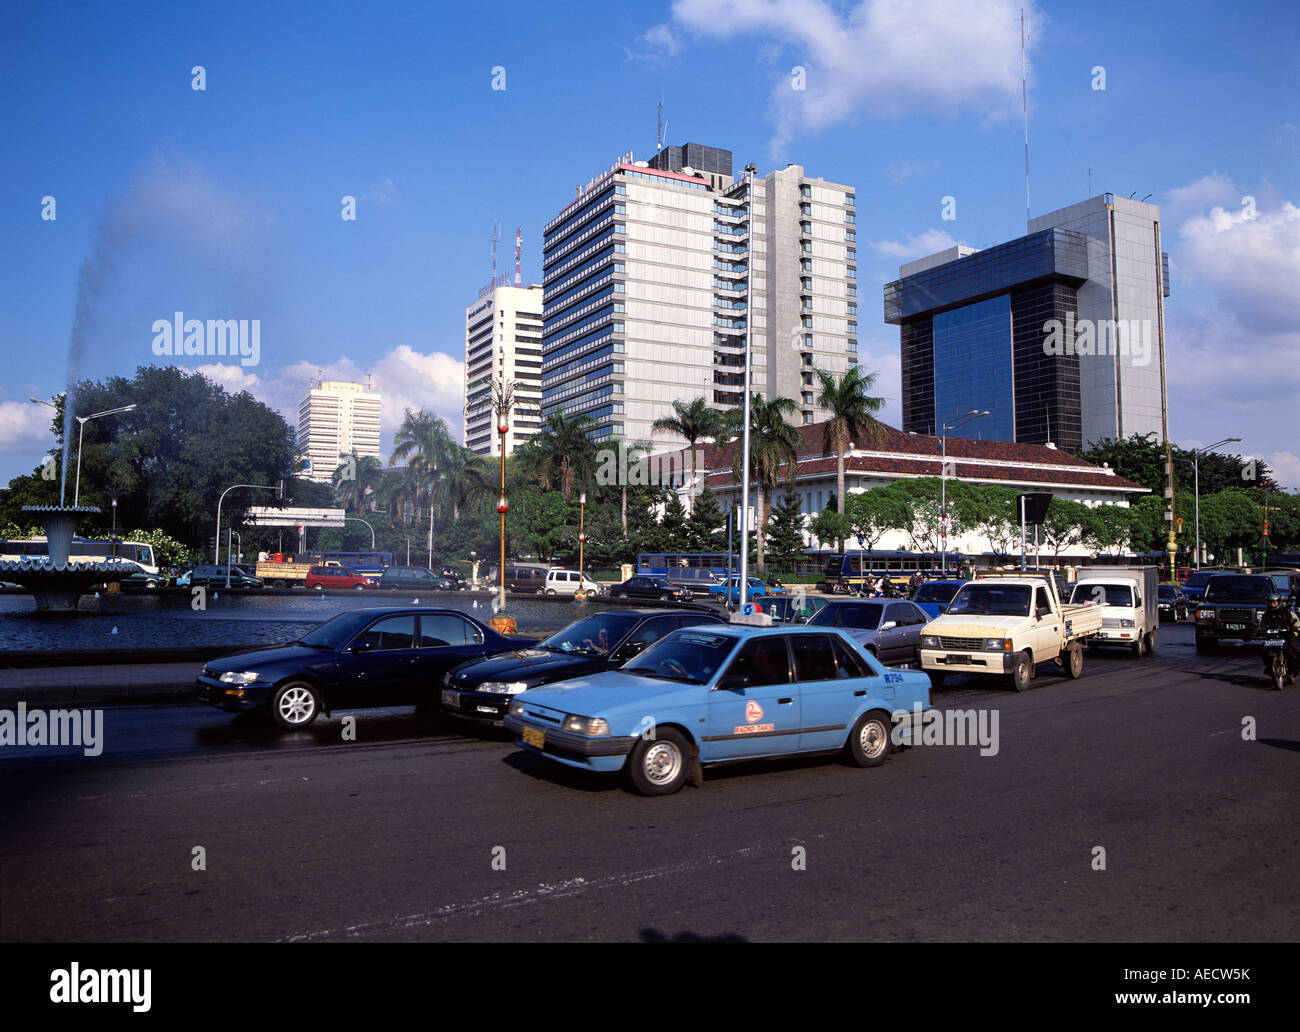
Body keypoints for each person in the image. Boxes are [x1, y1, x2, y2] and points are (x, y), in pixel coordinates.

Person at [1260, 594, 1300, 685]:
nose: (1272, 605)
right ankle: (1269, 666)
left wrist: (1292, 627)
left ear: (1279, 602)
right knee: (1262, 649)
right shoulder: (1267, 614)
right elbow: (1262, 625)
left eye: (1274, 603)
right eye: (1270, 603)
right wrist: (1260, 630)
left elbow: (1292, 621)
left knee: (1294, 650)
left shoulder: (1286, 612)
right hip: (1273, 637)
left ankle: (1294, 669)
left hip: (1287, 635)